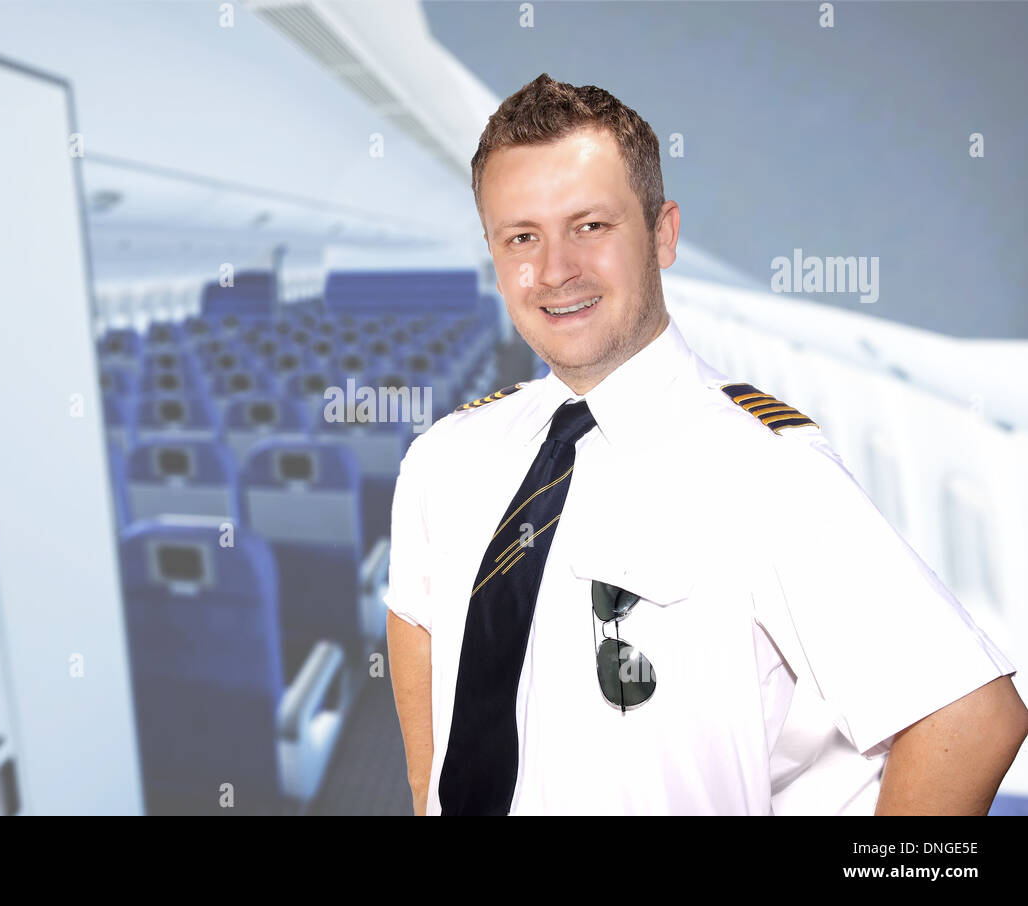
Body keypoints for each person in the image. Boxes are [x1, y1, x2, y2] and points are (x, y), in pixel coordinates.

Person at [384, 73, 1028, 816]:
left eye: (591, 226)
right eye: (522, 237)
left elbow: (973, 717)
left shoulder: (762, 467)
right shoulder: (447, 456)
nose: (556, 269)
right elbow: (417, 614)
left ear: (663, 234)